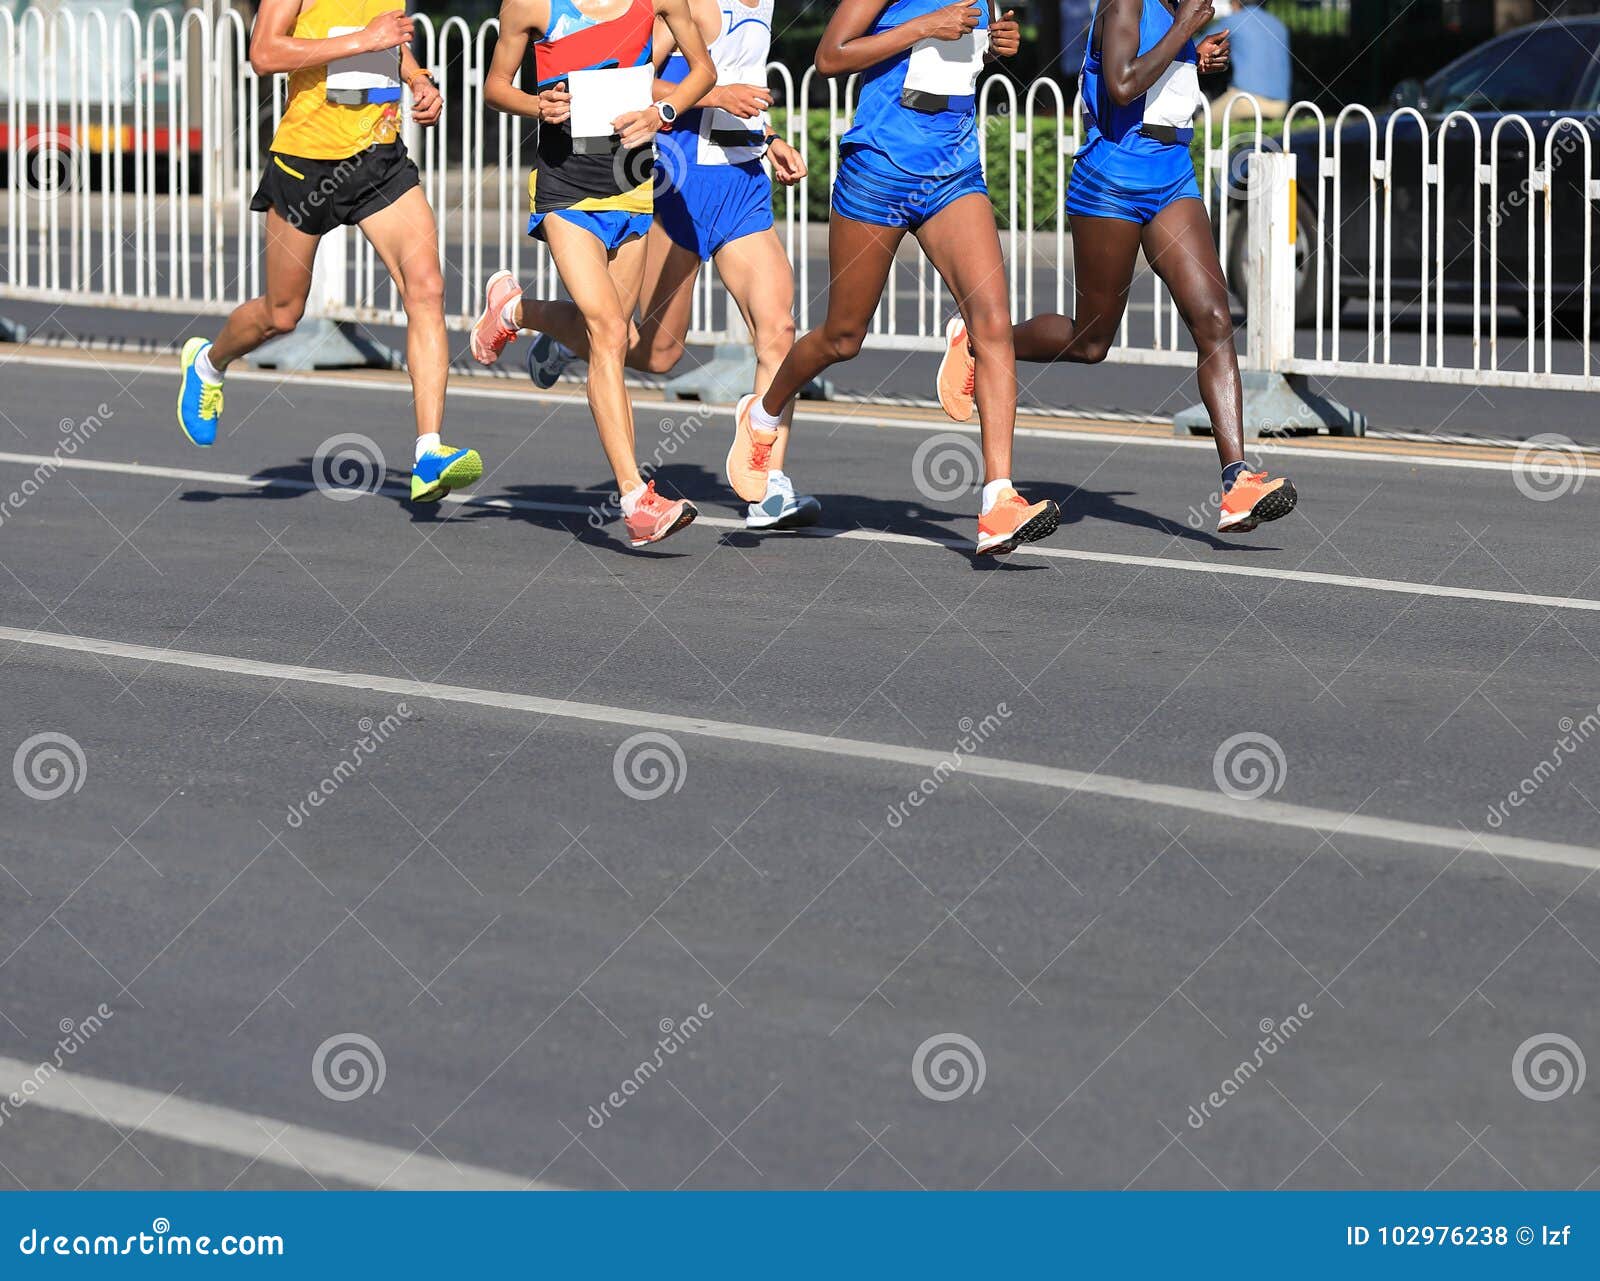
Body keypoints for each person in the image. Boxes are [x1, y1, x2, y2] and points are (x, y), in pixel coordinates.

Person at [941, 0, 1296, 533]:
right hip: (1111, 182)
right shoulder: (1126, 3)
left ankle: (1236, 482)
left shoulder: (1174, 12)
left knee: (1215, 320)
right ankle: (980, 343)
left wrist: (1190, 56)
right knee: (1090, 341)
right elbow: (1122, 85)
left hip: (1172, 174)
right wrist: (1183, 31)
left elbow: (1151, 74)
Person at [471, 0, 821, 532]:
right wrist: (711, 95)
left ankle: (767, 481)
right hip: (677, 181)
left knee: (780, 329)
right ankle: (530, 314)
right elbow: (634, 77)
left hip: (741, 182)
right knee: (652, 353)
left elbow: (737, 75)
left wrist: (767, 137)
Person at [726, 0, 1060, 556]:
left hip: (953, 168)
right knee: (842, 337)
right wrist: (923, 26)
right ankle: (760, 414)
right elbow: (829, 58)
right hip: (878, 166)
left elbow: (963, 54)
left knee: (993, 322)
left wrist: (999, 43)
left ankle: (998, 499)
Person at [176, 0, 481, 504]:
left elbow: (394, 40)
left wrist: (419, 80)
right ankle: (208, 363)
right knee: (283, 313)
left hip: (380, 161)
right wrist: (365, 39)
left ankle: (429, 452)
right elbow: (264, 53)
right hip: (306, 166)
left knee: (426, 288)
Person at [478, 0, 715, 548]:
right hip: (565, 190)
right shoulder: (531, 5)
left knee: (614, 334)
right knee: (607, 333)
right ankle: (636, 500)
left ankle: (515, 310)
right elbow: (495, 87)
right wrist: (536, 105)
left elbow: (703, 70)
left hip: (631, 183)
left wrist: (663, 113)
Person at [1208, 0, 1289, 121]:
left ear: (1235, 3)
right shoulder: (1279, 24)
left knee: (1201, 122)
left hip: (1245, 100)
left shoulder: (1232, 20)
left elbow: (1197, 48)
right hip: (1280, 105)